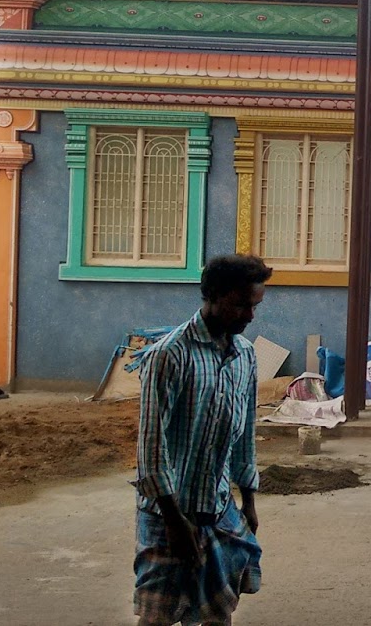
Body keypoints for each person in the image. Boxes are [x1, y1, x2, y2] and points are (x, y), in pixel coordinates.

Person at [134, 254, 273, 626]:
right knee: (156, 615)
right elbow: (151, 448)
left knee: (218, 611)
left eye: (255, 305)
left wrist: (249, 500)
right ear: (212, 296)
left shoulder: (245, 356)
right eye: (241, 305)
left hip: (218, 510)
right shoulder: (169, 355)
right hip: (167, 516)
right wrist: (175, 522)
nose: (250, 316)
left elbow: (245, 436)